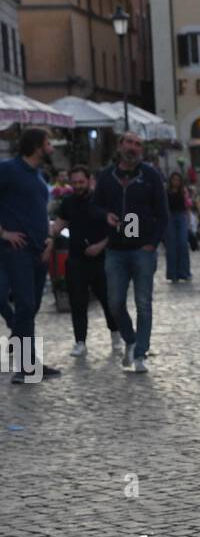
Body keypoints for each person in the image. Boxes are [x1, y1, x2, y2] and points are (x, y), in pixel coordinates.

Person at [93, 131, 168, 374]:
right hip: (116, 250)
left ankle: (140, 354)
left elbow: (162, 213)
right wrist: (105, 216)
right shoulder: (106, 176)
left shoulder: (151, 176)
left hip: (142, 250)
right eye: (129, 142)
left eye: (138, 144)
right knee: (114, 302)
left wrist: (153, 243)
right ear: (120, 146)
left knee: (143, 303)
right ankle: (130, 338)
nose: (134, 147)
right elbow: (95, 207)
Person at [0, 126, 61, 382]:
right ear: (37, 146)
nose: (52, 148)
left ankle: (29, 361)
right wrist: (3, 233)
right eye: (48, 143)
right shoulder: (9, 169)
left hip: (39, 248)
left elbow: (38, 211)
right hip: (17, 249)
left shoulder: (38, 174)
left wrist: (48, 238)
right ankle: (25, 368)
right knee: (25, 304)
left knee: (31, 307)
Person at [51, 163, 122, 357]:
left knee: (109, 301)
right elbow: (60, 222)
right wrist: (51, 233)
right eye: (74, 183)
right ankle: (80, 341)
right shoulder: (67, 202)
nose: (78, 186)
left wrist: (100, 246)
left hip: (102, 260)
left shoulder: (102, 201)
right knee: (77, 302)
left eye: (81, 182)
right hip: (76, 260)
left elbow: (118, 229)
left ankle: (116, 335)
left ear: (89, 181)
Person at [165, 170, 192, 283]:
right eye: (174, 179)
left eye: (178, 180)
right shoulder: (166, 192)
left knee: (182, 244)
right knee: (171, 246)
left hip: (181, 217)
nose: (176, 182)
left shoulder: (183, 191)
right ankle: (173, 274)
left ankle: (184, 272)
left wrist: (189, 220)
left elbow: (188, 206)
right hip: (170, 217)